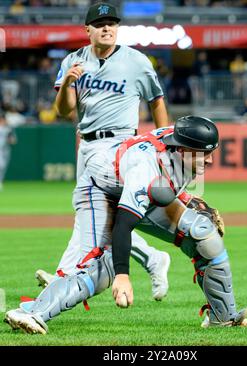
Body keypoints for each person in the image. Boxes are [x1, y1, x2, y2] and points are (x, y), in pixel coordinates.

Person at [5, 116, 247, 334]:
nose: (210, 160)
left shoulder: (183, 143)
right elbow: (124, 226)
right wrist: (123, 276)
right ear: (183, 149)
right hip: (100, 191)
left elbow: (165, 185)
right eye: (204, 154)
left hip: (135, 187)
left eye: (211, 152)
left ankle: (223, 318)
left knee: (204, 235)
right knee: (102, 269)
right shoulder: (145, 169)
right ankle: (31, 313)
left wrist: (186, 199)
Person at [35, 2, 171, 301]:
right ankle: (151, 259)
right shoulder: (73, 60)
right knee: (90, 213)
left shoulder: (137, 61)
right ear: (88, 30)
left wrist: (164, 146)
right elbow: (63, 111)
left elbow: (157, 100)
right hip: (86, 144)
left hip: (121, 145)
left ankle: (66, 275)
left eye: (112, 23)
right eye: (100, 24)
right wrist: (69, 81)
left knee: (94, 213)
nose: (107, 27)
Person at [0, 112, 17, 191]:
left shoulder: (8, 129)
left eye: (3, 119)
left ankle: (1, 182)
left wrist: (10, 139)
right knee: (1, 165)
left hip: (5, 150)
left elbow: (13, 140)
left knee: (3, 167)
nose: (3, 120)